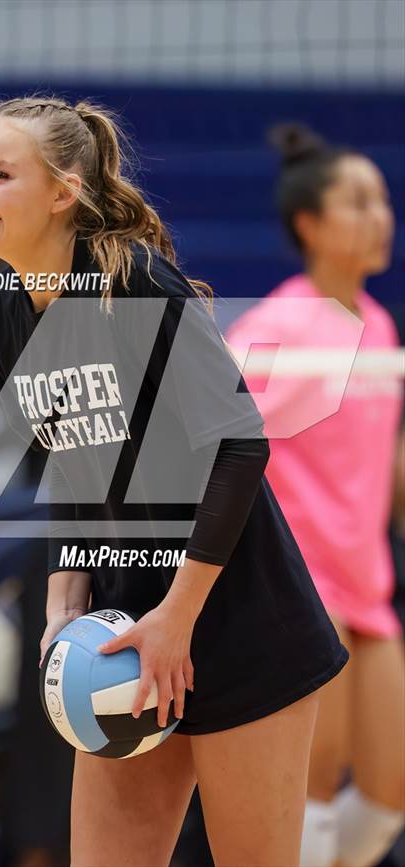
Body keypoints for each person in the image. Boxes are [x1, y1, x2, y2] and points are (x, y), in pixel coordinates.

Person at [0, 95, 348, 867]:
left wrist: (179, 617)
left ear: (63, 191)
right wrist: (64, 601)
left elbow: (242, 448)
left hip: (240, 624)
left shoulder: (133, 283)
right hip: (128, 634)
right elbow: (72, 457)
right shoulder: (4, 308)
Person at [226, 124, 405, 867]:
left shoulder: (383, 325)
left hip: (369, 584)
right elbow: (213, 441)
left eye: (383, 200)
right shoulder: (278, 327)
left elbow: (380, 461)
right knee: (312, 791)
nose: (380, 217)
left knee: (391, 793)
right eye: (357, 202)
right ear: (310, 223)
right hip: (303, 584)